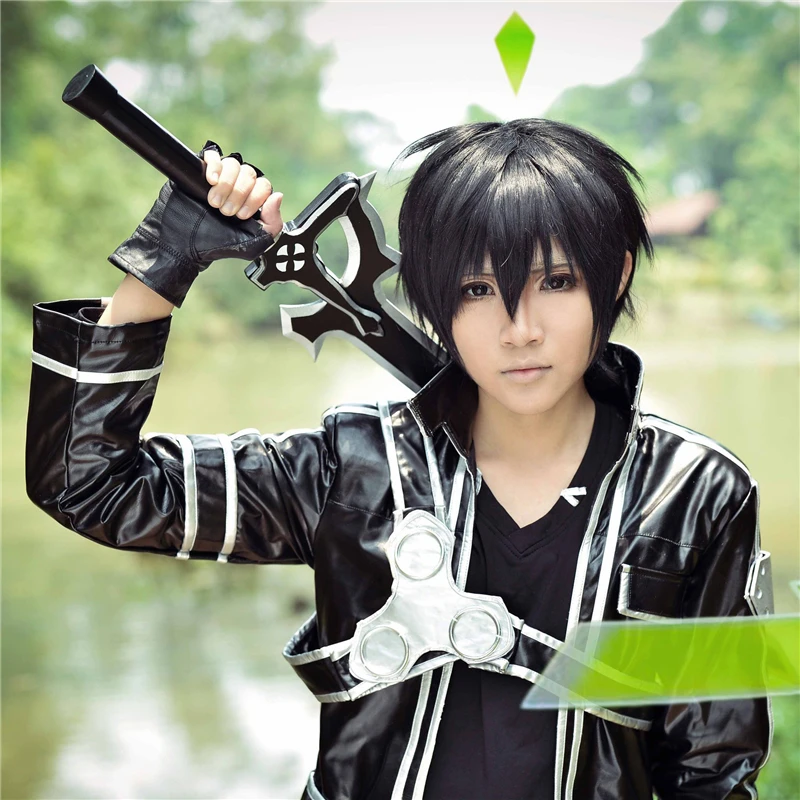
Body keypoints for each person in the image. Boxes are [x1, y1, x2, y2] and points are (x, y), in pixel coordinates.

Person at [26, 120, 772, 800]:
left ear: (615, 277)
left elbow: (714, 770)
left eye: (556, 282)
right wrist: (163, 261)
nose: (519, 330)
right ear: (431, 298)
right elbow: (88, 485)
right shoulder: (354, 470)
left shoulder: (697, 492)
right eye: (477, 290)